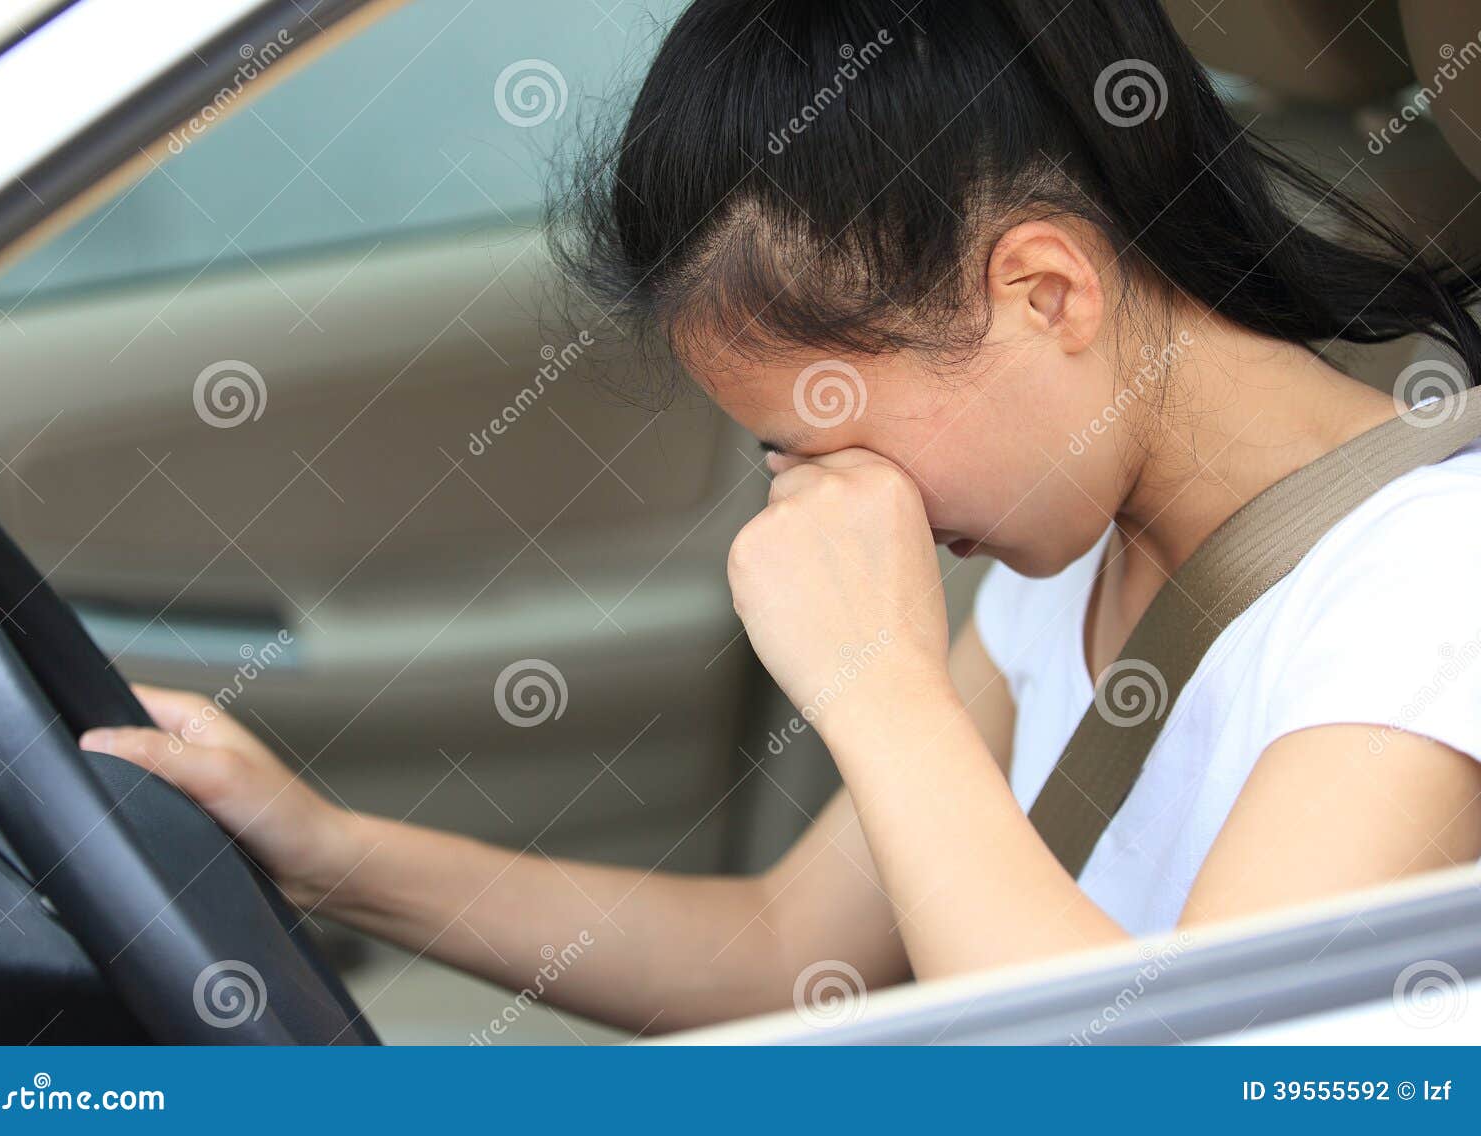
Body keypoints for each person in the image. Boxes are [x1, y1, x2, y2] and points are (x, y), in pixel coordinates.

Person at [81, 0, 1481, 1033]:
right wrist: (328, 855)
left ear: (1044, 293)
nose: (806, 503)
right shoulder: (1084, 549)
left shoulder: (1428, 597)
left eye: (824, 437)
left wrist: (883, 689)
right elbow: (786, 953)